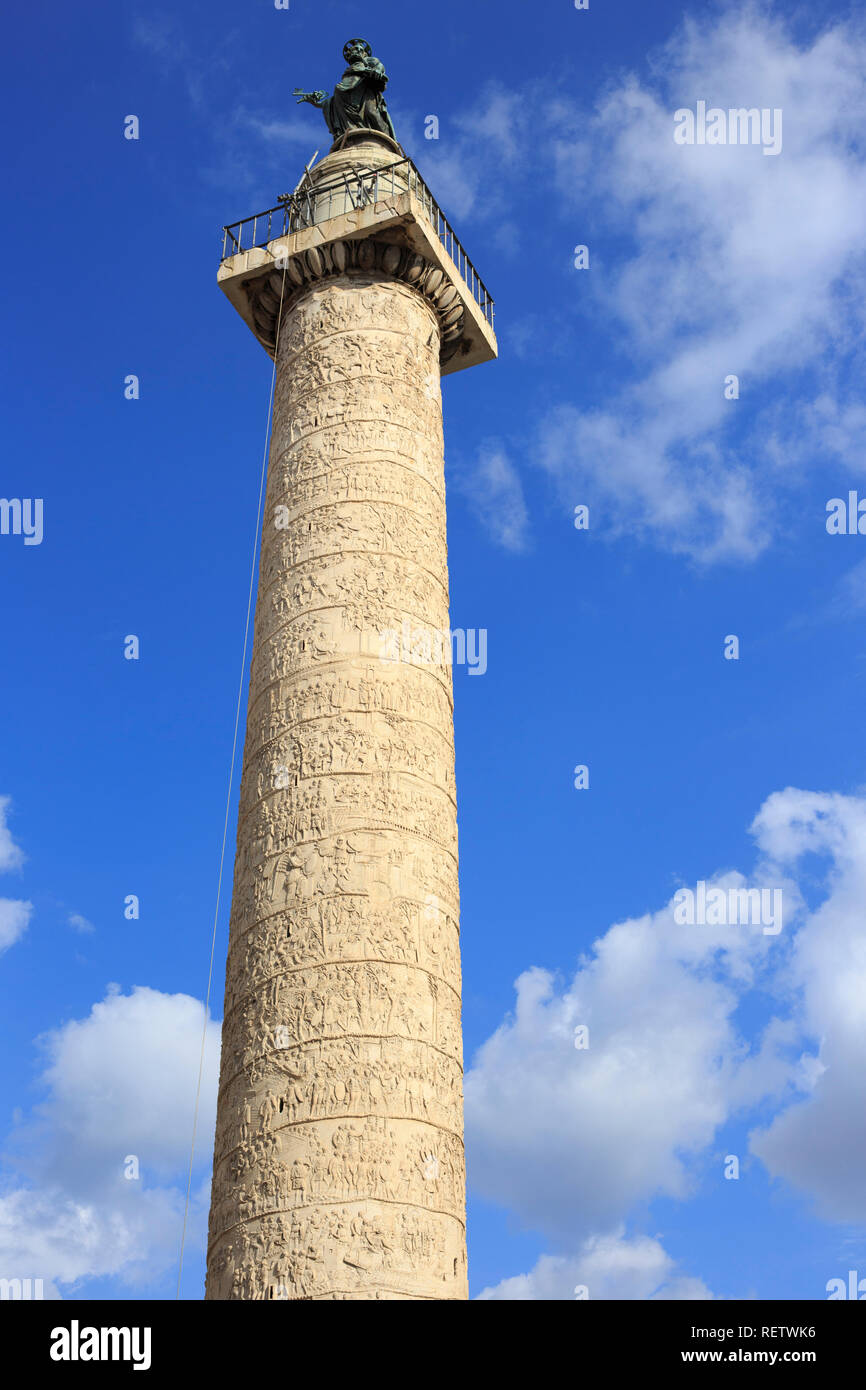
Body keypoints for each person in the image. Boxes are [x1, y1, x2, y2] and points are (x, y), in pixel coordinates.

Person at [295, 39, 397, 143]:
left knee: (372, 113)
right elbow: (334, 104)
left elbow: (379, 66)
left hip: (366, 90)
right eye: (354, 49)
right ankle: (353, 138)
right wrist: (315, 102)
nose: (356, 51)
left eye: (359, 49)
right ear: (349, 55)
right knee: (342, 103)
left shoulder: (368, 61)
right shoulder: (348, 73)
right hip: (344, 94)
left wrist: (377, 71)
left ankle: (385, 142)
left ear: (364, 53)